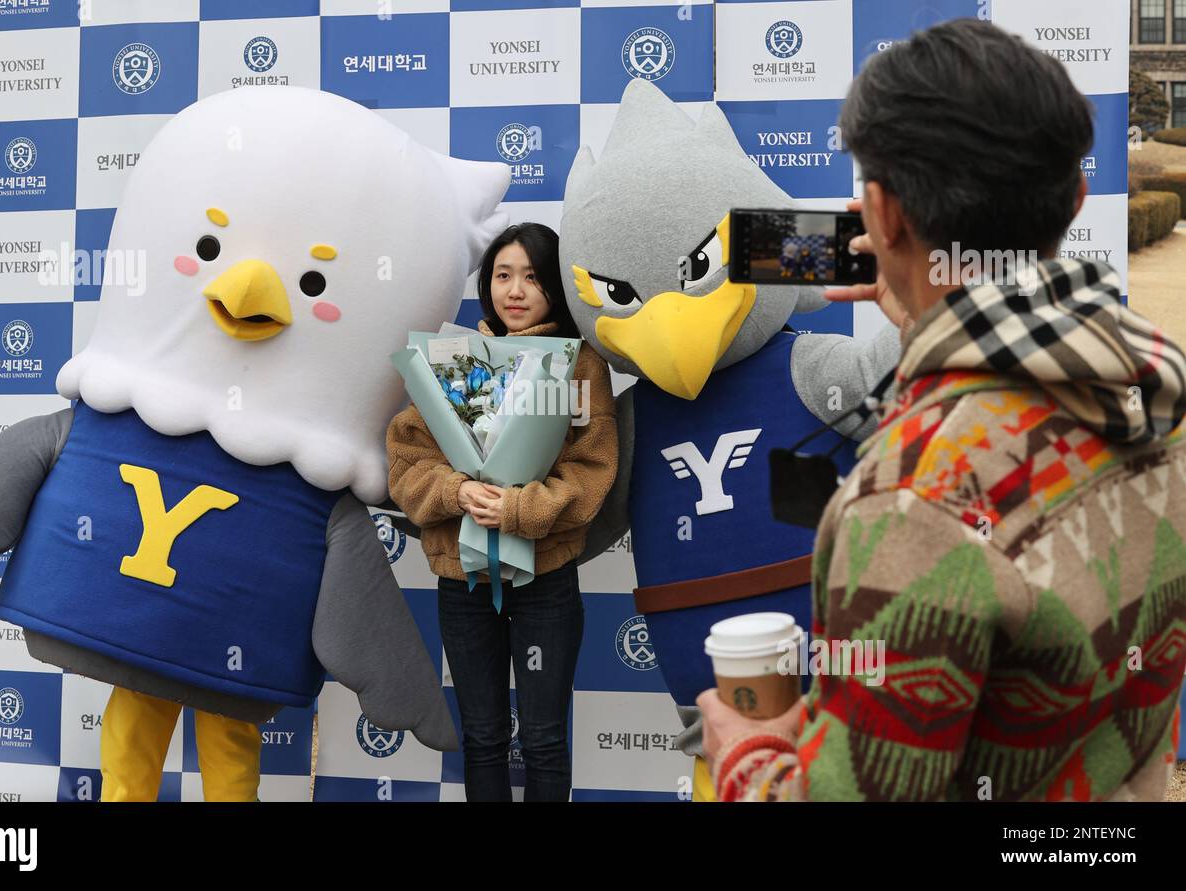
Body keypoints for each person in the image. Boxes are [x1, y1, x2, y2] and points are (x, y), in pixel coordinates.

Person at [699, 18, 1186, 801]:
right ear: (1076, 198)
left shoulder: (912, 498)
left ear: (881, 215)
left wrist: (747, 752)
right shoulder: (1145, 400)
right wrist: (933, 334)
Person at [386, 222, 618, 801]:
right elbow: (407, 461)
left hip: (546, 580)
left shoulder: (579, 363)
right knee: (483, 736)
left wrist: (518, 508)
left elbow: (593, 470)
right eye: (502, 275)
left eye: (533, 277)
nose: (515, 290)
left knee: (543, 738)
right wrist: (453, 492)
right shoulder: (451, 360)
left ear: (555, 287)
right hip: (462, 582)